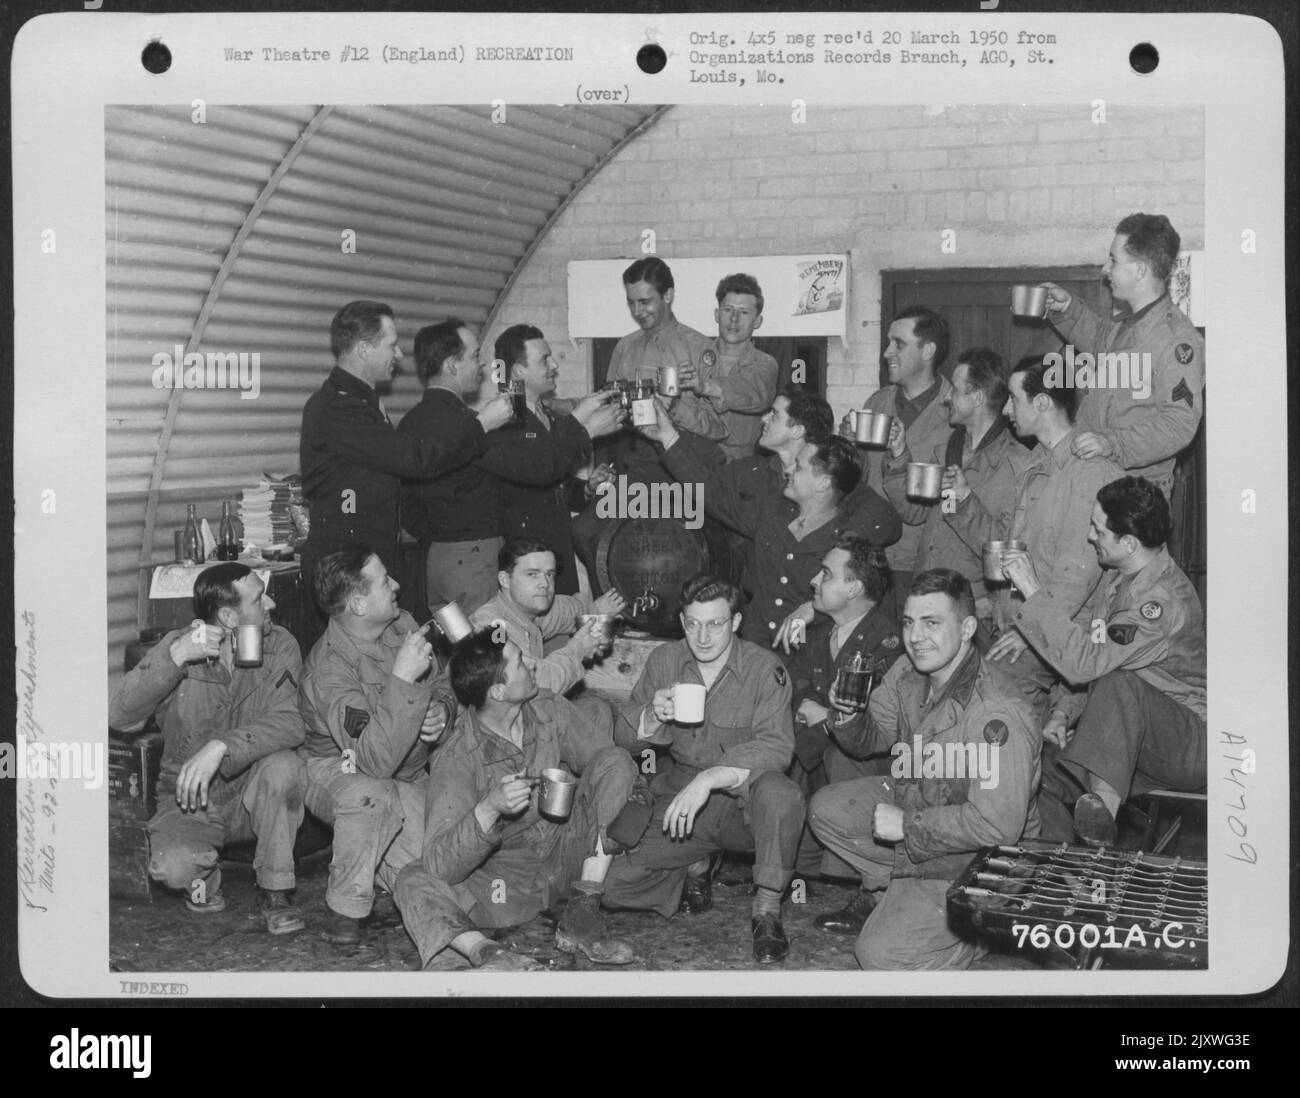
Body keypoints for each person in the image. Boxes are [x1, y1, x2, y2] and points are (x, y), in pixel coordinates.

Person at [808, 569, 1040, 968]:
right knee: (827, 808)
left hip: (987, 862)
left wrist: (908, 826)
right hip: (927, 812)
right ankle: (902, 893)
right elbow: (871, 738)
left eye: (932, 623)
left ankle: (984, 930)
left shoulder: (995, 712)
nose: (916, 637)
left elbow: (998, 826)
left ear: (967, 628)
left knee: (879, 956)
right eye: (909, 622)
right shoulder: (909, 672)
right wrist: (845, 715)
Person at [394, 631, 652, 970]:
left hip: (570, 849)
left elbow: (607, 762)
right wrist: (489, 808)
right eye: (519, 663)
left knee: (618, 764)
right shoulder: (457, 757)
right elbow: (442, 863)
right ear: (499, 692)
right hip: (507, 883)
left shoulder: (547, 707)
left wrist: (631, 794)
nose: (530, 664)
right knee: (413, 879)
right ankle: (488, 953)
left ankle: (583, 911)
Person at [602, 575, 802, 965]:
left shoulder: (765, 668)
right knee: (611, 885)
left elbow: (778, 748)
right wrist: (651, 716)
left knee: (782, 793)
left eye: (715, 624)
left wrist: (711, 777)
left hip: (744, 799)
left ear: (736, 623)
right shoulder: (665, 660)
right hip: (681, 792)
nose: (703, 637)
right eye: (693, 624)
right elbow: (623, 738)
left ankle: (767, 909)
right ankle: (695, 866)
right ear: (681, 622)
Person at [1002, 476, 1206, 842]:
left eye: (1098, 529)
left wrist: (1034, 592)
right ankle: (1074, 869)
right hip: (1133, 737)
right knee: (1032, 770)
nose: (1090, 536)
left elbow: (1091, 665)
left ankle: (1098, 837)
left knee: (1119, 682)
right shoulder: (1116, 579)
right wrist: (1064, 712)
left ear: (1128, 543)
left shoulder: (1160, 603)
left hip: (1185, 745)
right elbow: (1090, 647)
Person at [108, 563, 308, 934]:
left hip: (254, 792)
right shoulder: (179, 646)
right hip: (191, 801)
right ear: (229, 616)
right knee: (171, 868)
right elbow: (120, 717)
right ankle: (207, 873)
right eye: (259, 598)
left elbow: (291, 722)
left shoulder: (280, 644)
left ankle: (276, 890)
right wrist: (176, 656)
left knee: (286, 767)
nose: (272, 603)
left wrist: (222, 746)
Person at [300, 301, 512, 625]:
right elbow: (416, 460)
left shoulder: (363, 403)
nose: (399, 355)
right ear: (364, 349)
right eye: (391, 345)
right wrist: (481, 424)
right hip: (347, 576)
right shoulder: (337, 409)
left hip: (370, 565)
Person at [946, 355, 1125, 719]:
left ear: (1042, 403)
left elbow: (1076, 578)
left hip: (1061, 633)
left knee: (990, 705)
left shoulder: (1089, 472)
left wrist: (1029, 632)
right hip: (1019, 623)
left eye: (1013, 398)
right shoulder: (1036, 462)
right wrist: (965, 502)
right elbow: (1010, 550)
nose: (1007, 409)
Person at [644, 399, 901, 647]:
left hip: (812, 653)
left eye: (798, 468)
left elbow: (887, 520)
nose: (787, 471)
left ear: (823, 483)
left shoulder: (845, 526)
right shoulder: (771, 510)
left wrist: (842, 555)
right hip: (758, 646)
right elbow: (712, 495)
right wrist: (668, 437)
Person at [298, 546, 456, 945]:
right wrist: (402, 680)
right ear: (357, 603)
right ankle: (346, 906)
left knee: (449, 862)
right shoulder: (329, 669)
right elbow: (372, 761)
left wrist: (441, 711)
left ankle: (381, 861)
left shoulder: (402, 624)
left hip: (408, 768)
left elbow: (443, 684)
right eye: (385, 581)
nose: (397, 586)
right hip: (341, 770)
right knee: (374, 798)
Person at [1041, 213, 1204, 497]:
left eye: (1113, 260)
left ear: (1140, 270)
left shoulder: (1177, 340)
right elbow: (1102, 339)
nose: (1106, 269)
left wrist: (1113, 443)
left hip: (1136, 496)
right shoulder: (1131, 324)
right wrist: (1067, 309)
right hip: (1101, 481)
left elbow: (1178, 423)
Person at [881, 347, 1031, 643]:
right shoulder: (947, 449)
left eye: (955, 390)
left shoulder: (1018, 467)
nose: (947, 397)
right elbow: (914, 512)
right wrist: (899, 457)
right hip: (928, 600)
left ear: (976, 398)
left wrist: (965, 502)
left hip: (975, 616)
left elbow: (1008, 557)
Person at [784, 534, 904, 890]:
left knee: (838, 754)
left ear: (854, 588)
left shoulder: (887, 644)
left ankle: (867, 882)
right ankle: (786, 861)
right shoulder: (822, 632)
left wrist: (824, 719)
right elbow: (799, 689)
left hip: (876, 761)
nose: (814, 581)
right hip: (818, 746)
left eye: (826, 574)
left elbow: (870, 725)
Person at [395, 318, 526, 614]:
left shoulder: (410, 422)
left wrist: (442, 541)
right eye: (475, 356)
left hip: (438, 558)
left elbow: (408, 504)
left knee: (452, 649)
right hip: (476, 559)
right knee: (485, 651)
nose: (482, 365)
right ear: (452, 365)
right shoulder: (469, 424)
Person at [490, 323, 624, 596]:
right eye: (544, 360)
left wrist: (586, 488)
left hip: (555, 551)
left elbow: (555, 484)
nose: (554, 365)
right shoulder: (503, 421)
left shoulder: (547, 417)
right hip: (526, 557)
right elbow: (539, 471)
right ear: (518, 372)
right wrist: (588, 430)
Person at [848, 306, 956, 619]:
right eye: (887, 342)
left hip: (913, 565)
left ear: (928, 350)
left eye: (898, 344)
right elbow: (860, 481)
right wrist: (847, 448)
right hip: (865, 558)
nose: (886, 352)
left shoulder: (953, 414)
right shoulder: (878, 402)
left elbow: (920, 507)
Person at [471, 537, 626, 696]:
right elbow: (536, 685)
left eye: (550, 574)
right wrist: (578, 648)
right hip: (504, 714)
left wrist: (596, 609)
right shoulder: (491, 626)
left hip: (523, 710)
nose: (545, 583)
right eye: (532, 574)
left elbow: (567, 610)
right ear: (505, 580)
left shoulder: (526, 608)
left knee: (597, 708)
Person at [676, 273, 780, 462]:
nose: (734, 319)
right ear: (717, 314)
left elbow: (755, 392)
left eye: (744, 312)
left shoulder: (765, 364)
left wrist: (706, 387)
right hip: (692, 460)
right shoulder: (692, 357)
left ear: (758, 321)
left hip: (741, 468)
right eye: (728, 310)